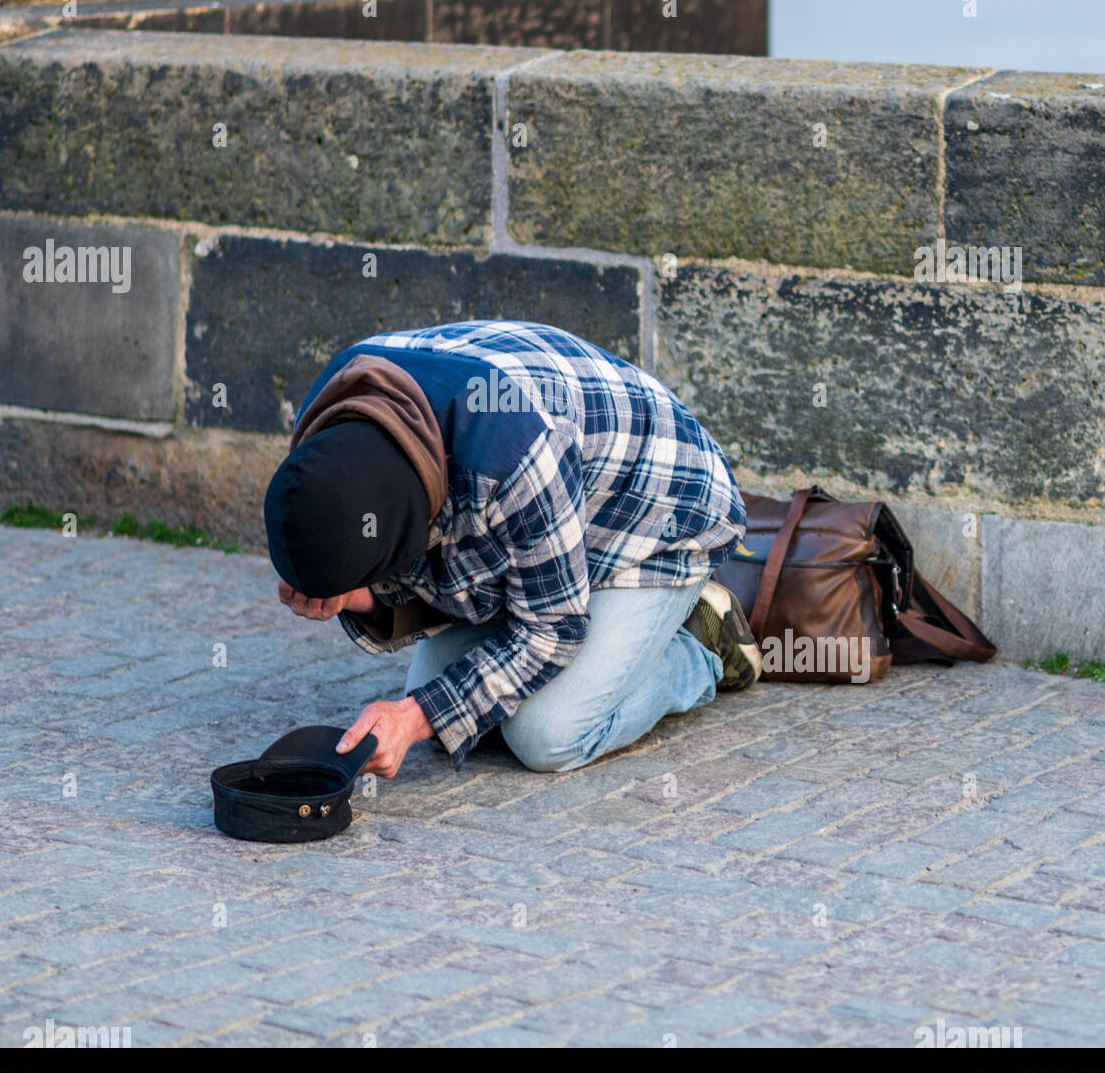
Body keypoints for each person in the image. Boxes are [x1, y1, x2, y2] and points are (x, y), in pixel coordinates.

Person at [264, 320, 761, 780]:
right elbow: (442, 569)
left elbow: (552, 631)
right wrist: (360, 596)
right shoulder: (331, 420)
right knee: (451, 709)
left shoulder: (517, 456)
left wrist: (412, 720)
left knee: (544, 735)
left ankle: (697, 646)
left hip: (658, 518)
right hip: (553, 518)